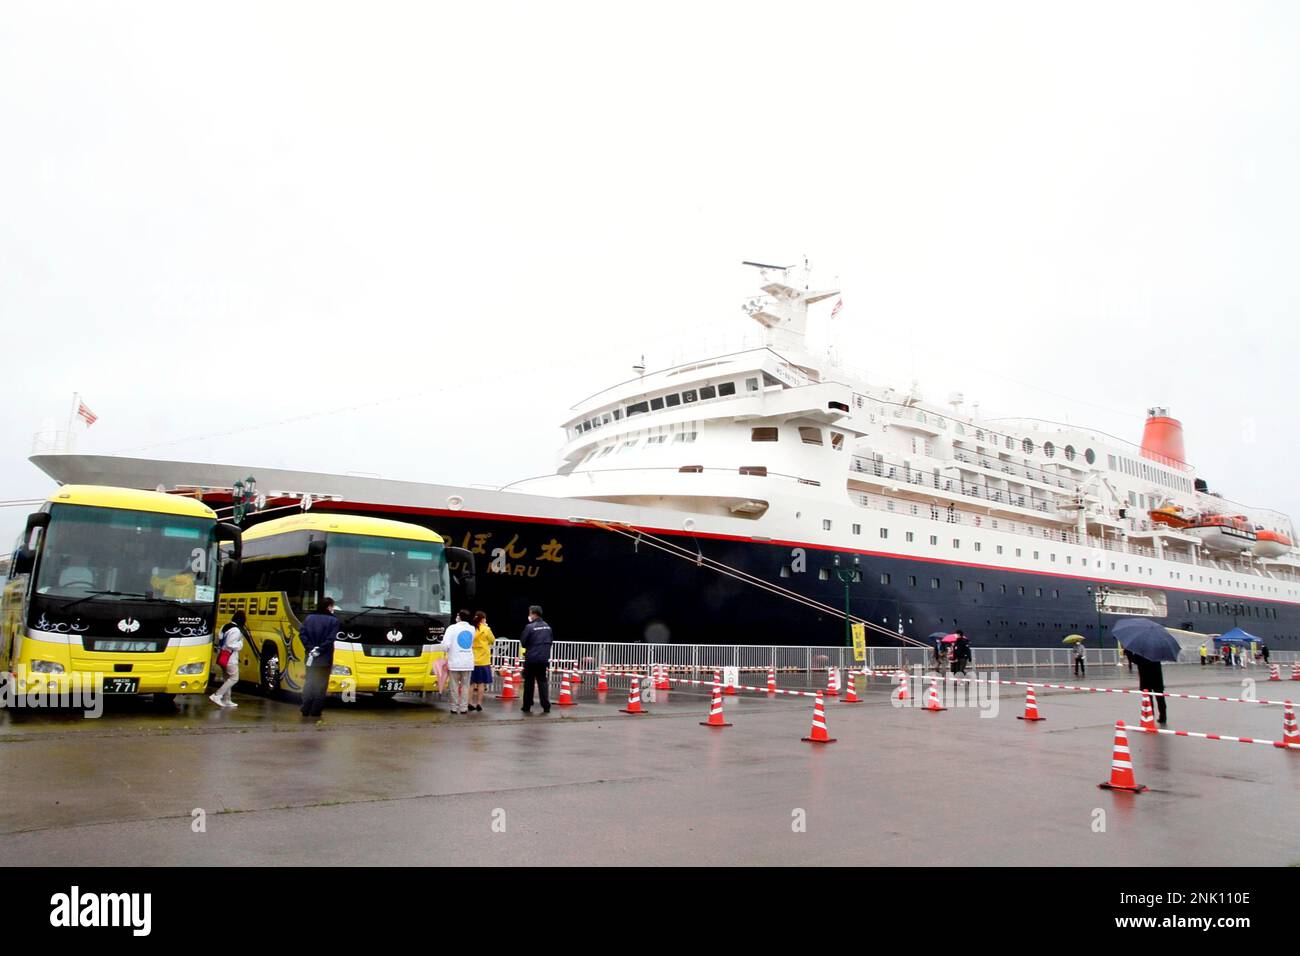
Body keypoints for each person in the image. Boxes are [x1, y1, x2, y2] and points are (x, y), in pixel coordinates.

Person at [299, 597, 341, 718]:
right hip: (325, 658)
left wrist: (310, 648)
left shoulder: (309, 618)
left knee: (309, 682)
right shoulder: (334, 621)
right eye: (332, 606)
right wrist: (320, 649)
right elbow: (330, 639)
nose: (333, 609)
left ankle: (305, 708)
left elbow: (302, 634)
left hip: (310, 657)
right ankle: (316, 710)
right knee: (321, 685)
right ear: (328, 607)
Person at [438, 610, 476, 714]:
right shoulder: (472, 629)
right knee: (465, 686)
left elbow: (446, 646)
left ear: (459, 617)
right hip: (468, 661)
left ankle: (454, 707)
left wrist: (444, 647)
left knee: (454, 686)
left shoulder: (452, 628)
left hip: (454, 661)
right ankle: (464, 707)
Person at [519, 605, 554, 714]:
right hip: (543, 659)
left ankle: (527, 705)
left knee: (529, 682)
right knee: (542, 682)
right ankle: (546, 706)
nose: (529, 616)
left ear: (534, 614)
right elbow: (550, 641)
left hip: (531, 659)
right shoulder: (548, 627)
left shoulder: (530, 627)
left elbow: (523, 642)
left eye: (530, 613)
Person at [210, 610, 247, 708]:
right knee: (234, 678)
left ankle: (227, 699)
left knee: (227, 678)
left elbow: (220, 639)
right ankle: (217, 695)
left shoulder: (225, 626)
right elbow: (229, 644)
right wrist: (240, 644)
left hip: (222, 656)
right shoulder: (236, 630)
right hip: (230, 658)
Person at [468, 610, 496, 712]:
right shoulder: (486, 629)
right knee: (481, 684)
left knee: (470, 683)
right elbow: (493, 640)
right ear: (483, 619)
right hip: (484, 661)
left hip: (472, 660)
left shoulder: (471, 629)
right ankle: (479, 703)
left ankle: (469, 702)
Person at [1132, 651, 1167, 725]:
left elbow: (1134, 660)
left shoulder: (1140, 652)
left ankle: (1150, 716)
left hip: (1146, 679)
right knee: (1160, 698)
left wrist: (1130, 652)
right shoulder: (1156, 652)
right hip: (1157, 678)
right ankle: (1163, 716)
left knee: (1148, 700)